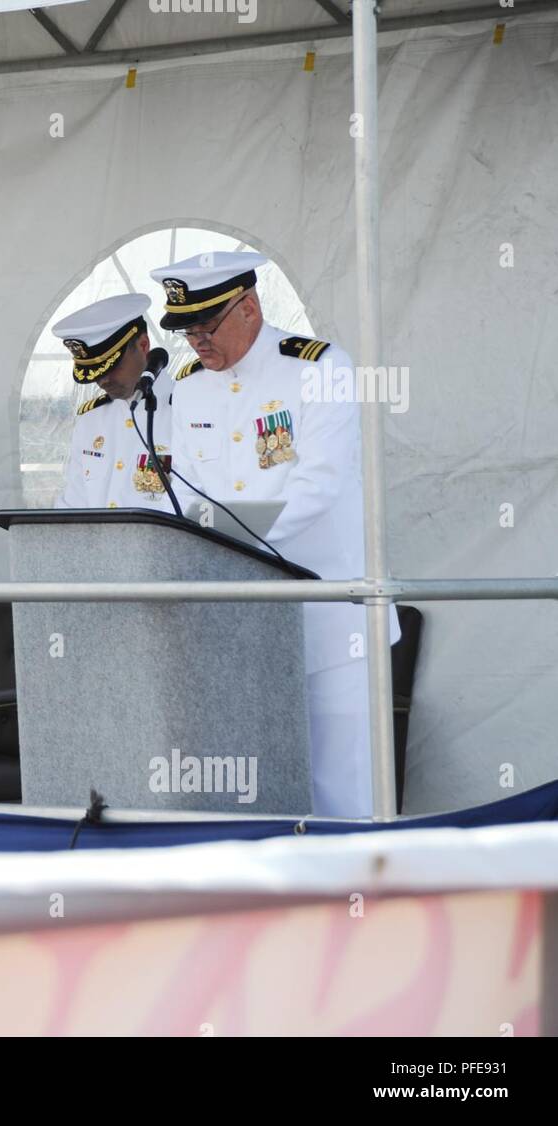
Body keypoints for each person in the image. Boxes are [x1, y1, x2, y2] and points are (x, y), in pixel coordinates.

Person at [150, 251, 397, 817]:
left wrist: (235, 549)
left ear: (250, 308)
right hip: (241, 629)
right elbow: (189, 494)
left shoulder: (319, 368)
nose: (197, 342)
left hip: (330, 623)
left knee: (343, 793)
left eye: (206, 326)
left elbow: (320, 485)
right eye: (186, 331)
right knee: (256, 793)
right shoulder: (186, 387)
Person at [51, 293, 181, 509]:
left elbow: (204, 505)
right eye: (93, 373)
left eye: (111, 367)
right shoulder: (91, 421)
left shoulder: (186, 410)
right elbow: (74, 504)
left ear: (143, 345)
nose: (103, 380)